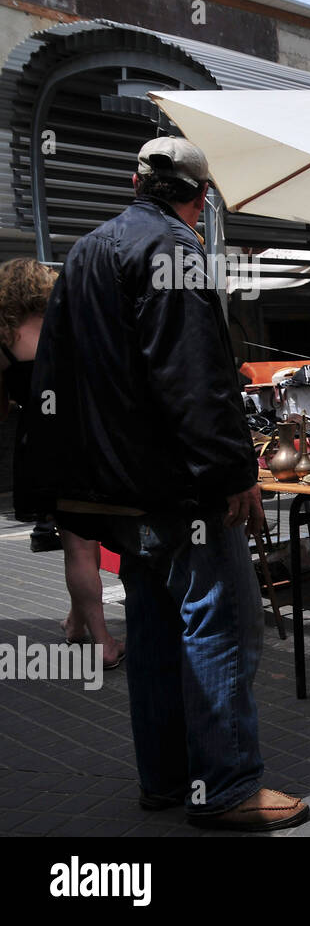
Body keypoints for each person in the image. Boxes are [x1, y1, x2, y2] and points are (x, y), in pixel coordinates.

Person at [20, 137, 310, 831]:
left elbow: (57, 376)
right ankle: (230, 782)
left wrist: (69, 490)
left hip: (114, 488)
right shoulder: (175, 252)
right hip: (175, 486)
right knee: (222, 623)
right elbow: (193, 378)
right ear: (200, 196)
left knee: (152, 630)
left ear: (134, 181)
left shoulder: (87, 251)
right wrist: (234, 472)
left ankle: (165, 779)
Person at [0, 258, 125, 668]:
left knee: (77, 545)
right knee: (87, 542)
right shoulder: (73, 325)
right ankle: (86, 629)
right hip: (91, 438)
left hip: (42, 447)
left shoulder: (5, 338)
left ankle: (93, 635)